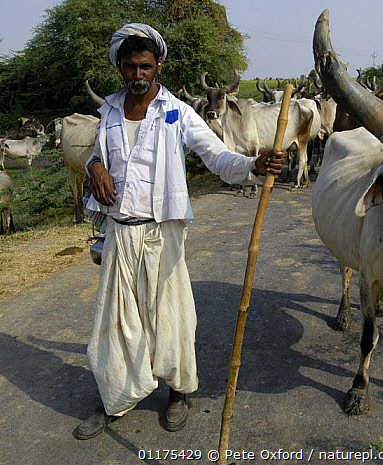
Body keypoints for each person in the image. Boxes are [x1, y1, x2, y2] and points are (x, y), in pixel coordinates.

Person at [74, 23, 286, 440]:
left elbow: (218, 157)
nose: (138, 75)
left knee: (170, 316)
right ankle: (117, 397)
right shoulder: (109, 111)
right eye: (131, 67)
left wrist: (254, 166)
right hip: (119, 232)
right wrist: (94, 166)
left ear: (159, 66)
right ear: (120, 67)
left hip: (163, 232)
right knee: (117, 320)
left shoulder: (177, 113)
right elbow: (97, 154)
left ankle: (177, 392)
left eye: (146, 67)